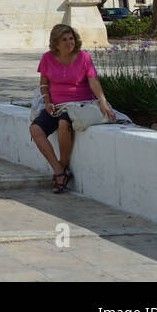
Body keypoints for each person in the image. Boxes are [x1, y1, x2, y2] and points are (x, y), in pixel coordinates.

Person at [31, 23, 116, 193]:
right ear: (55, 43)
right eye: (64, 39)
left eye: (71, 38)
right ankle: (58, 169)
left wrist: (103, 101)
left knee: (64, 124)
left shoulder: (84, 57)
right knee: (35, 129)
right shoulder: (47, 58)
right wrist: (47, 102)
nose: (69, 42)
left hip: (80, 104)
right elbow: (44, 84)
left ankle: (62, 167)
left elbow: (93, 81)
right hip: (56, 105)